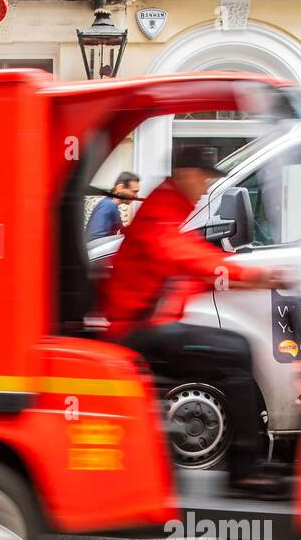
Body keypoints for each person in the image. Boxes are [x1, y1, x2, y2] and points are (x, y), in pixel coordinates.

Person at [98, 146, 288, 486]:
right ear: (186, 174)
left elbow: (183, 269)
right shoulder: (161, 211)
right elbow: (179, 255)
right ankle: (246, 470)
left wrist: (237, 280)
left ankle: (248, 463)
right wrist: (248, 276)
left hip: (148, 322)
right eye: (203, 178)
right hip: (136, 330)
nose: (204, 187)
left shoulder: (169, 207)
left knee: (236, 349)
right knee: (237, 350)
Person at [86, 171, 140, 241]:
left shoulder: (111, 205)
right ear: (120, 188)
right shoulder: (108, 205)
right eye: (134, 191)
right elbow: (94, 239)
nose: (136, 196)